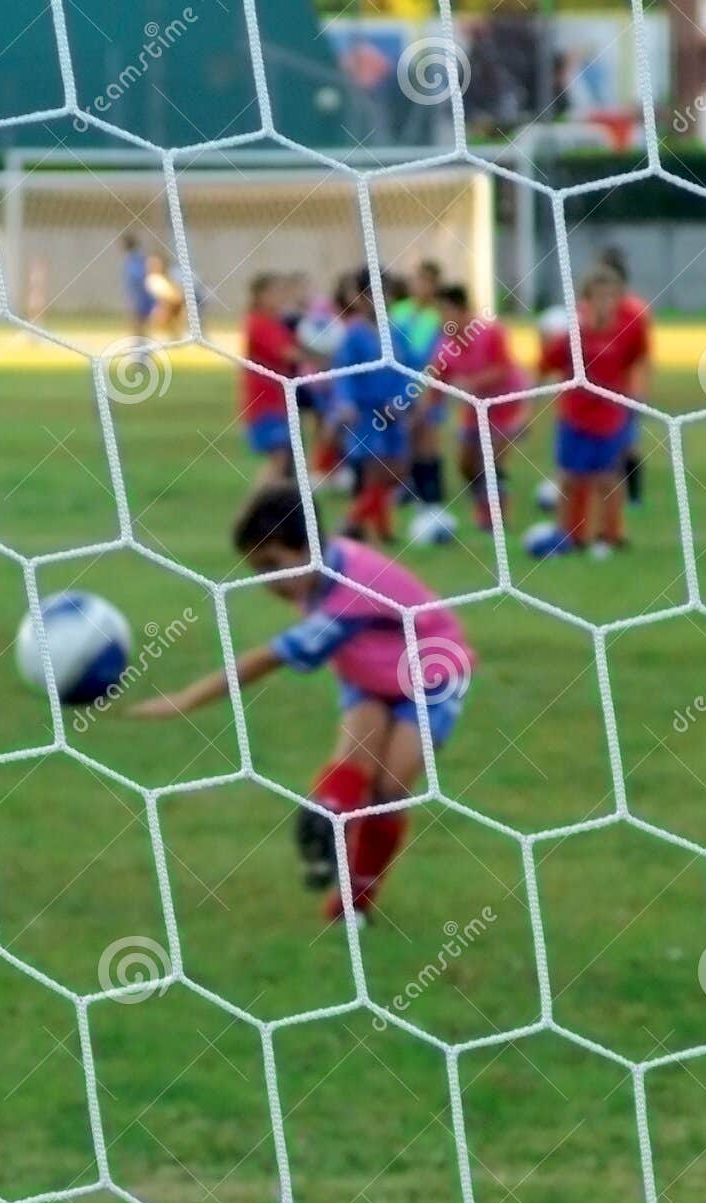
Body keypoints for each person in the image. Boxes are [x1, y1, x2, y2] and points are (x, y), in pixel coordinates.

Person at [129, 482, 474, 925]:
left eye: (272, 566)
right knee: (352, 765)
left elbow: (270, 658)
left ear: (307, 547)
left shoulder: (349, 591)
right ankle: (327, 820)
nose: (266, 582)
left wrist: (185, 699)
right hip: (369, 670)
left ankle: (355, 900)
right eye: (258, 571)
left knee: (389, 789)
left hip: (433, 674)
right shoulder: (324, 565)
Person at [532, 262, 650, 559]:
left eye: (610, 297)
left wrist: (635, 392)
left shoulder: (629, 330)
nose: (604, 304)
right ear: (586, 300)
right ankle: (568, 537)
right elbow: (545, 364)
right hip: (574, 416)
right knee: (570, 478)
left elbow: (639, 359)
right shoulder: (573, 335)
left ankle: (610, 537)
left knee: (607, 480)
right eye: (597, 297)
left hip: (611, 417)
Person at [431, 285, 530, 533]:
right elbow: (437, 380)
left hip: (506, 404)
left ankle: (497, 516)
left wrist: (470, 384)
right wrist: (422, 408)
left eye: (445, 312)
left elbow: (504, 369)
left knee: (492, 461)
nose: (442, 319)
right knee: (466, 464)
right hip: (474, 410)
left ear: (461, 311)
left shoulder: (489, 333)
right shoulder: (445, 345)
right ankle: (483, 503)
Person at [330, 268, 415, 543]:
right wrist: (345, 403)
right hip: (367, 415)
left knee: (396, 471)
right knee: (375, 470)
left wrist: (404, 398)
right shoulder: (354, 334)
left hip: (394, 412)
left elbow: (410, 369)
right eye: (372, 294)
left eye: (386, 293)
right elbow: (344, 372)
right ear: (361, 298)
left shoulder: (396, 331)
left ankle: (362, 524)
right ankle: (358, 525)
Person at [391, 260, 451, 525]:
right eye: (418, 280)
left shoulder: (439, 315)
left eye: (427, 282)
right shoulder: (398, 310)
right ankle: (412, 489)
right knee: (409, 437)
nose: (422, 287)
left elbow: (436, 351)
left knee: (428, 436)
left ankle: (433, 495)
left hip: (427, 380)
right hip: (400, 381)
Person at [597, 245, 653, 510]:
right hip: (595, 390)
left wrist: (639, 388)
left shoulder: (635, 312)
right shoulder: (588, 309)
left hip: (625, 388)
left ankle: (633, 497)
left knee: (627, 444)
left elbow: (642, 355)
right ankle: (605, 498)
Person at [241, 273, 303, 479]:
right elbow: (288, 353)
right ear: (261, 296)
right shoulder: (259, 323)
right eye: (275, 292)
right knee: (279, 459)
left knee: (284, 462)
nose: (280, 297)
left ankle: (275, 506)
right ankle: (252, 509)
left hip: (279, 401)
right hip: (264, 403)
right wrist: (323, 357)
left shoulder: (275, 323)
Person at [121, 235, 152, 345]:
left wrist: (134, 298)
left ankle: (140, 349)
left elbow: (138, 279)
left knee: (139, 324)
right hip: (140, 296)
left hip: (140, 297)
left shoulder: (135, 259)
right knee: (139, 325)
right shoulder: (138, 258)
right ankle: (140, 346)